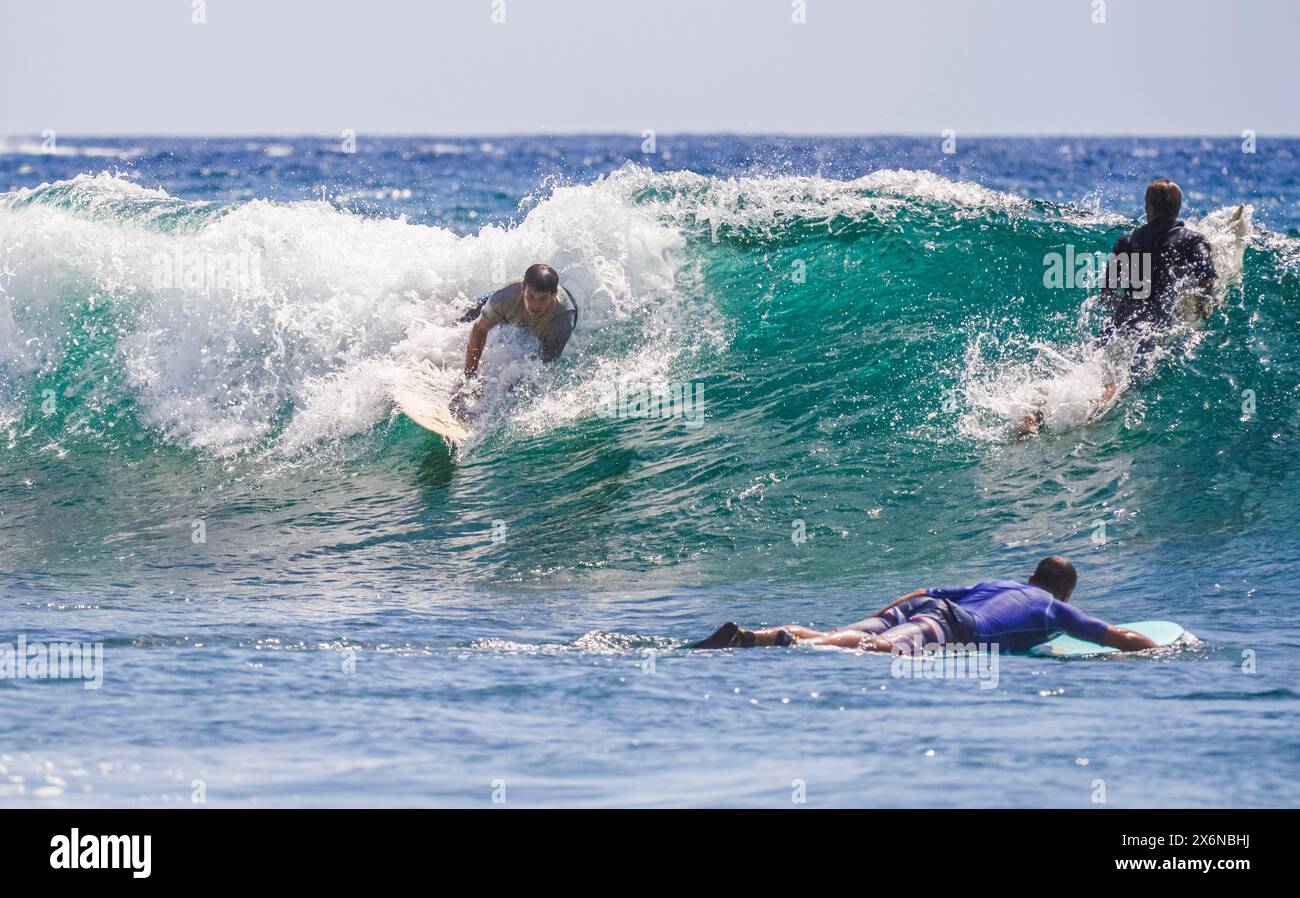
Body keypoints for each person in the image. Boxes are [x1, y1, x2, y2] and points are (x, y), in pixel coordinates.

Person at [1020, 179, 1217, 434]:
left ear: (1148, 207)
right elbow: (1206, 277)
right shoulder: (1191, 240)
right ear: (1178, 209)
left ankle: (1038, 414)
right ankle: (1074, 424)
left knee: (1089, 373)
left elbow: (1107, 291)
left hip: (1120, 322)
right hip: (1151, 326)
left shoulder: (1128, 240)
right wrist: (1203, 304)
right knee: (1118, 387)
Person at [691, 556, 1157, 654]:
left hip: (926, 607)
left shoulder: (997, 581)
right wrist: (1160, 650)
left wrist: (889, 609)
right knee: (873, 650)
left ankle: (753, 634)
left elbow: (922, 593)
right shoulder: (1055, 608)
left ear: (1032, 576)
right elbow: (1116, 636)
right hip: (953, 625)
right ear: (1065, 591)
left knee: (856, 631)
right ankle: (792, 643)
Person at [451, 263, 578, 416]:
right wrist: (468, 377)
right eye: (530, 296)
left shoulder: (562, 321)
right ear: (523, 288)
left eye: (542, 298)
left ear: (554, 294)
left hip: (547, 325)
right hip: (509, 306)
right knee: (465, 316)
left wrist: (500, 396)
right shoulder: (505, 297)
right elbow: (479, 330)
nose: (535, 304)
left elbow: (541, 367)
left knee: (535, 363)